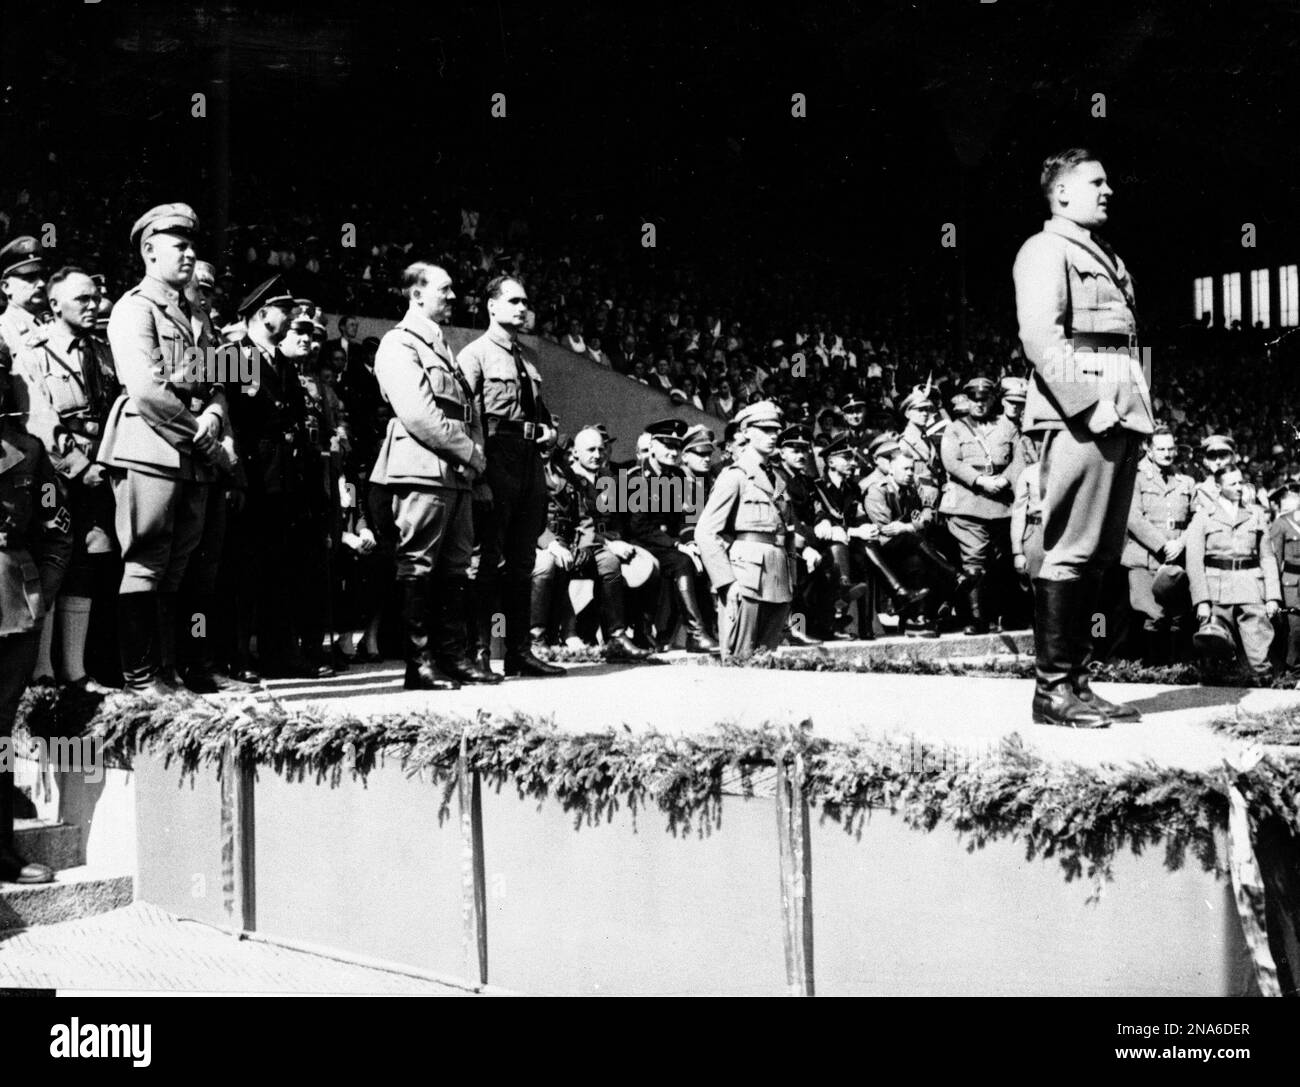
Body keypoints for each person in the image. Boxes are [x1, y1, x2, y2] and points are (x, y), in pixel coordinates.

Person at [1013, 148, 1153, 727]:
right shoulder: (1045, 250)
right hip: (1083, 414)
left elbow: (1121, 343)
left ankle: (1077, 680)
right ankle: (1051, 691)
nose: (1108, 190)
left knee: (1098, 555)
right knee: (1070, 549)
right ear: (1061, 193)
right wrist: (1090, 405)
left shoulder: (1104, 255)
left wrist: (1137, 414)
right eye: (1096, 182)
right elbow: (1040, 335)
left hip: (1119, 412)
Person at [98, 203, 230, 696]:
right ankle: (141, 677)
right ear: (149, 251)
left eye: (192, 244)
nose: (189, 253)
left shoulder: (196, 315)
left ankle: (168, 674)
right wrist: (203, 434)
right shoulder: (135, 308)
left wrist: (215, 414)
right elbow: (148, 391)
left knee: (178, 565)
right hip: (151, 446)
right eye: (179, 244)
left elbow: (219, 381)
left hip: (191, 450)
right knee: (147, 560)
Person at [371, 262, 494, 690]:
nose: (454, 297)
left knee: (457, 567)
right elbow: (419, 414)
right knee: (418, 564)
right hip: (422, 468)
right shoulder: (399, 343)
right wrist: (471, 454)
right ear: (416, 294)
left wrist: (473, 456)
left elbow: (470, 411)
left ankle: (452, 655)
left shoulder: (445, 346)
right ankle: (419, 664)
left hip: (455, 473)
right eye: (445, 289)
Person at [11, 266, 119, 691]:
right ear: (55, 304)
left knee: (87, 563)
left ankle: (75, 670)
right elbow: (38, 415)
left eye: (95, 298)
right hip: (56, 473)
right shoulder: (35, 350)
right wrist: (77, 465)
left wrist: (103, 463)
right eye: (83, 300)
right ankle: (41, 669)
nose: (93, 306)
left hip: (101, 468)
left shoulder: (103, 350)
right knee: (51, 562)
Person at [458, 275, 565, 677]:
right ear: (492, 306)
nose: (522, 309)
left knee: (522, 561)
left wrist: (550, 433)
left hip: (528, 463)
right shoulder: (475, 355)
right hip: (495, 460)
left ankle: (520, 651)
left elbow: (538, 414)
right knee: (485, 560)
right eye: (514, 301)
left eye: (526, 302)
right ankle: (479, 651)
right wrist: (479, 473)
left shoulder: (528, 361)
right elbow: (467, 418)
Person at [0, 342, 72, 884]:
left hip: (10, 606)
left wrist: (40, 596)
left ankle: (1, 849)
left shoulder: (27, 449)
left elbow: (56, 532)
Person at [531, 426, 650, 661]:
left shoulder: (566, 474)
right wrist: (552, 544)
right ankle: (539, 638)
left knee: (609, 561)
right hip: (544, 541)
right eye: (542, 446)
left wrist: (587, 544)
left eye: (551, 446)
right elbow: (527, 518)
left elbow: (584, 517)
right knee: (549, 565)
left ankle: (617, 637)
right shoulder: (528, 473)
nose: (547, 450)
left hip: (576, 540)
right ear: (575, 452)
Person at [694, 401, 796, 657]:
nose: (773, 436)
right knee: (740, 657)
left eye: (776, 431)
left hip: (778, 577)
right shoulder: (735, 475)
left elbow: (786, 531)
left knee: (766, 657)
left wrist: (792, 576)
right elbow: (706, 532)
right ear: (746, 431)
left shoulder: (779, 479)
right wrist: (726, 582)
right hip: (746, 577)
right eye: (764, 429)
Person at [624, 418, 720, 652]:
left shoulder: (678, 476)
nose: (673, 451)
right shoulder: (635, 477)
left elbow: (689, 517)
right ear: (653, 445)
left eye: (677, 447)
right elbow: (640, 528)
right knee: (682, 561)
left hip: (669, 543)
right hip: (641, 543)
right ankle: (695, 634)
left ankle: (702, 630)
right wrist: (678, 545)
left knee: (699, 557)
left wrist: (690, 542)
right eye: (667, 445)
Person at [939, 376, 1018, 634]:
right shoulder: (955, 428)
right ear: (966, 400)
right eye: (974, 399)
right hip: (969, 500)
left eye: (984, 399)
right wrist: (980, 480)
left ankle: (1004, 615)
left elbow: (1021, 457)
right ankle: (976, 619)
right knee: (974, 559)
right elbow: (951, 461)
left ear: (993, 399)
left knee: (1002, 561)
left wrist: (1005, 480)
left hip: (1002, 500)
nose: (979, 404)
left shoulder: (1007, 426)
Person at [1185, 466, 1280, 679]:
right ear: (1219, 487)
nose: (1240, 488)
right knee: (1214, 653)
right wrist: (1201, 600)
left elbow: (1267, 556)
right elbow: (1194, 561)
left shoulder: (1255, 513)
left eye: (1241, 482)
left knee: (1259, 651)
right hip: (1216, 589)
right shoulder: (1204, 516)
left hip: (1250, 587)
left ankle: (1263, 694)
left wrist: (1273, 596)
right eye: (1233, 484)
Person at [1122, 426, 1195, 663]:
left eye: (1171, 448)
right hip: (1146, 556)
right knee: (1151, 614)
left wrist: (1181, 543)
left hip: (1176, 558)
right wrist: (1163, 545)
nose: (1167, 453)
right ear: (1148, 449)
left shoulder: (1185, 481)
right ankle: (1150, 669)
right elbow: (1133, 517)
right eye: (1161, 448)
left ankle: (1175, 671)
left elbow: (1196, 519)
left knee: (1176, 616)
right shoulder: (1135, 476)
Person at [1268, 484, 1300, 668]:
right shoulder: (1280, 524)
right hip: (1291, 585)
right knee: (1294, 628)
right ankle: (1291, 669)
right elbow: (1274, 559)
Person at [0, 236, 49, 357]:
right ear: (6, 287)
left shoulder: (50, 324)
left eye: (41, 276)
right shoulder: (3, 331)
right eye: (30, 278)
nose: (41, 284)